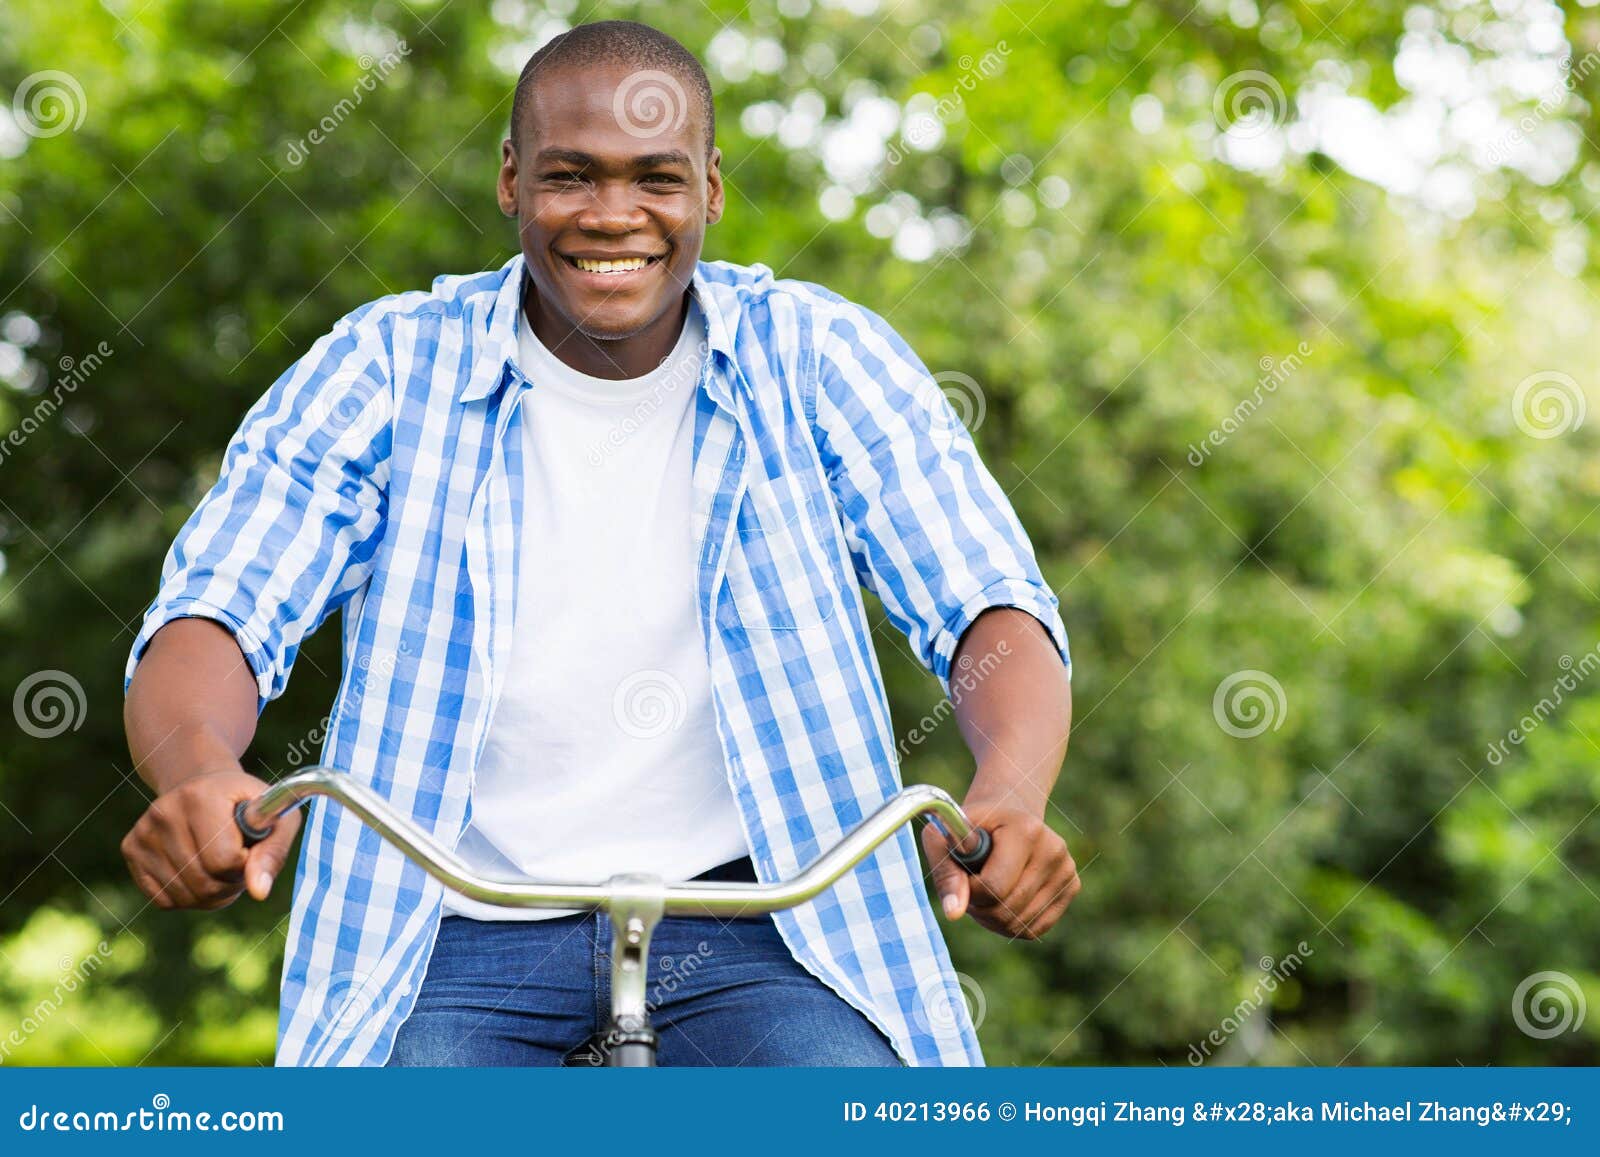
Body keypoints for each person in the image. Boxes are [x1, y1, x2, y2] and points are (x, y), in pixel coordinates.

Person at [120, 19, 1078, 1067]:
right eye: (570, 174)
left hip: (773, 923)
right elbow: (222, 604)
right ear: (511, 181)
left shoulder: (816, 354)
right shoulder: (387, 366)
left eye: (654, 179)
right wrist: (200, 767)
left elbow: (985, 601)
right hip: (448, 925)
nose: (612, 215)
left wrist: (1010, 793)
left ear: (709, 188)